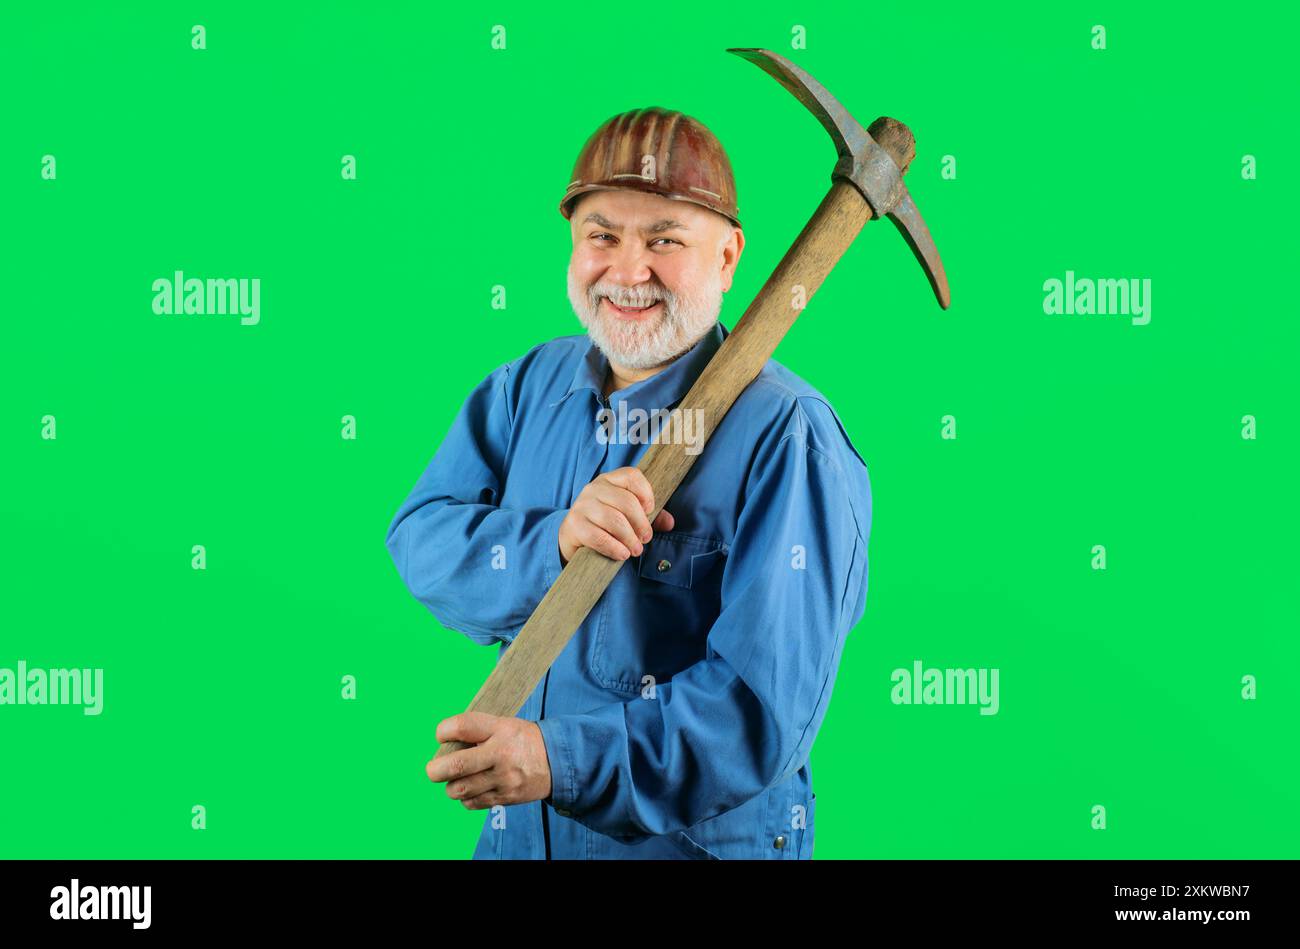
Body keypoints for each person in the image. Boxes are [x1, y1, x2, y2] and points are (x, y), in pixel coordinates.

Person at [385, 106, 872, 859]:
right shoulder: (527, 388)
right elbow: (419, 536)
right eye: (601, 236)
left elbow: (757, 712)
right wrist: (553, 540)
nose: (628, 270)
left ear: (729, 258)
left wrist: (557, 761)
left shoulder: (787, 434)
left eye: (665, 239)